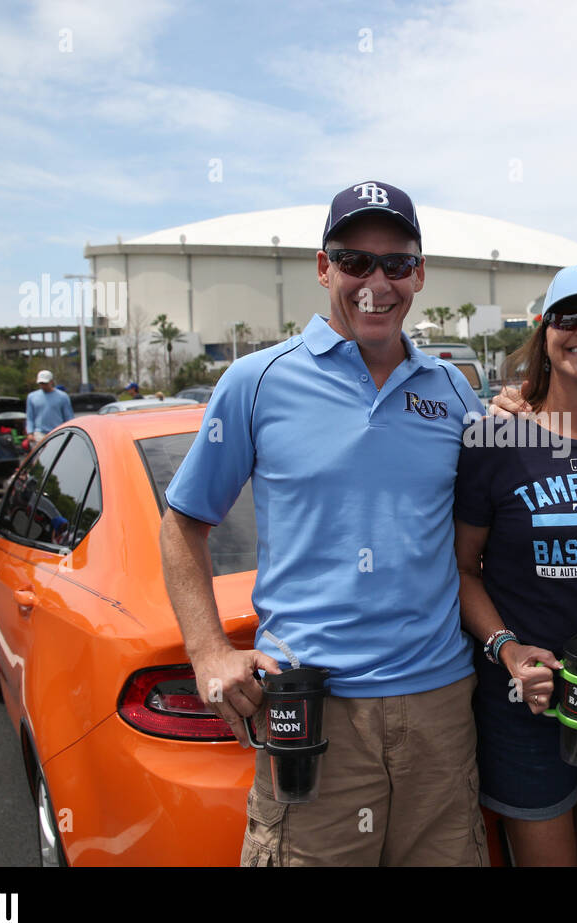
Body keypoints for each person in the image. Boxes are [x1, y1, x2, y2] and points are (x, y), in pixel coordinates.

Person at [159, 180, 488, 867]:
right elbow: (184, 523)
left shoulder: (453, 391)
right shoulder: (256, 382)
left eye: (396, 264)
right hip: (313, 707)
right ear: (323, 267)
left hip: (439, 706)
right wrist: (208, 650)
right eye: (354, 261)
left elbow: (486, 524)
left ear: (419, 275)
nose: (376, 282)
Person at [454, 262, 577, 866]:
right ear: (545, 330)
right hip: (526, 699)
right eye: (570, 316)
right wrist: (507, 650)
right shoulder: (495, 439)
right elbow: (463, 570)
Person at [25, 369, 73, 444]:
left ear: (51, 381)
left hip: (58, 433)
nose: (43, 385)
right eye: (41, 383)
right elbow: (30, 417)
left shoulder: (63, 397)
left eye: (45, 383)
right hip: (39, 434)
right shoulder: (32, 397)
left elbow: (68, 417)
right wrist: (30, 432)